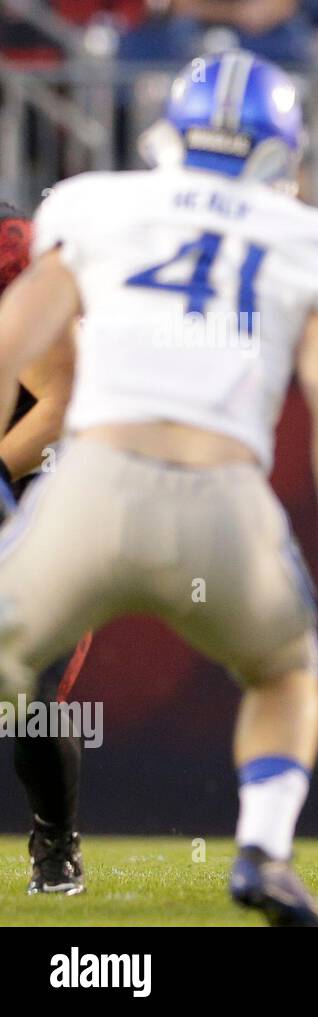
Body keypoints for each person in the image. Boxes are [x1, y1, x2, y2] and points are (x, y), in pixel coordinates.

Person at [0, 51, 318, 926]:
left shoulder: (93, 202)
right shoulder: (315, 239)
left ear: (170, 130)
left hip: (89, 484)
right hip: (222, 499)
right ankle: (262, 852)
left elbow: (15, 333)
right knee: (286, 672)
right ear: (281, 148)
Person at [0, 203, 90, 896]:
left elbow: (62, 401)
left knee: (28, 695)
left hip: (51, 482)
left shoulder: (14, 255)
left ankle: (54, 842)